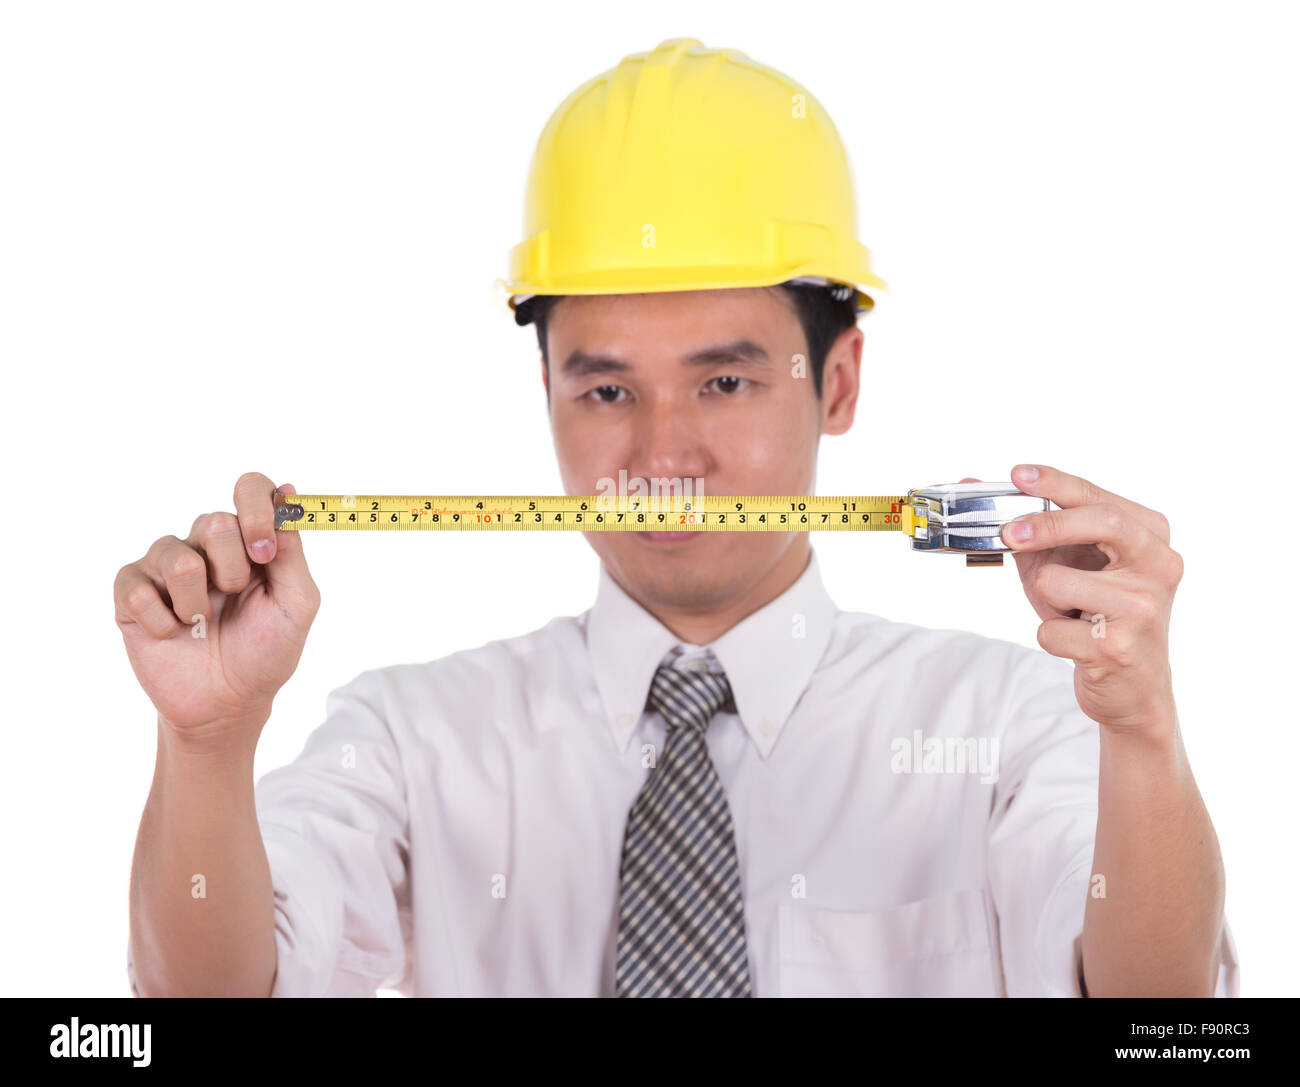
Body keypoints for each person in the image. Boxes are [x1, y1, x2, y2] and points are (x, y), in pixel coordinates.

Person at [119, 38, 1237, 997]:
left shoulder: (1012, 725)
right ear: (544, 393)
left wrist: (1140, 732)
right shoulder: (413, 741)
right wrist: (203, 745)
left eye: (723, 382)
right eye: (605, 390)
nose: (660, 455)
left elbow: (1156, 1024)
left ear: (838, 383)